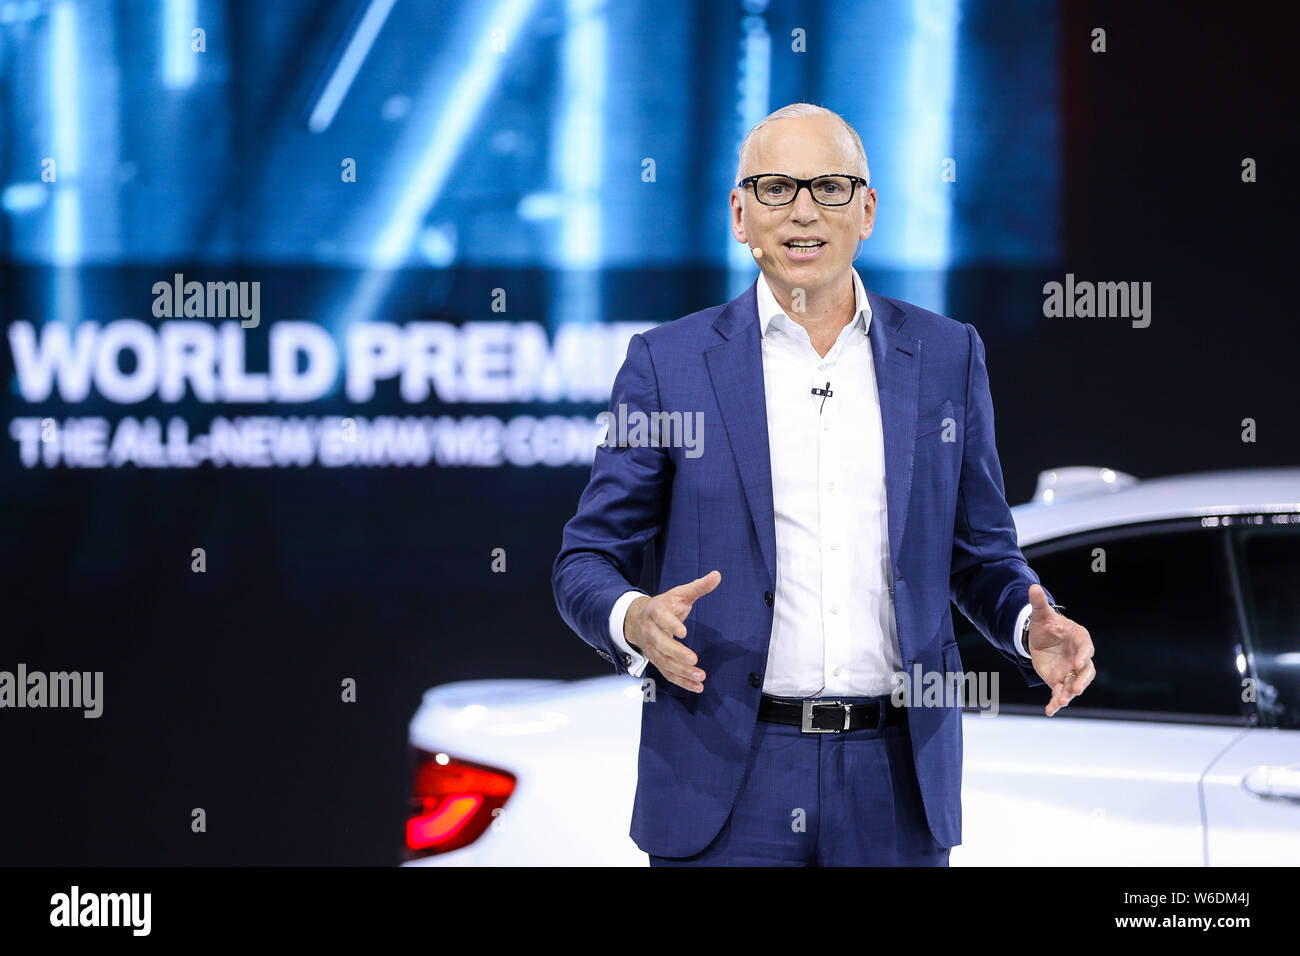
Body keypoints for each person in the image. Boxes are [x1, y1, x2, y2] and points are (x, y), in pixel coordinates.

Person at [552, 103, 1095, 866]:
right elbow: (584, 562)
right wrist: (635, 618)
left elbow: (978, 557)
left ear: (867, 210)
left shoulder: (947, 357)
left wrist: (1027, 626)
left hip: (896, 778)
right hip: (726, 776)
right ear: (740, 215)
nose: (803, 210)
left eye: (830, 188)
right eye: (775, 188)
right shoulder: (666, 366)